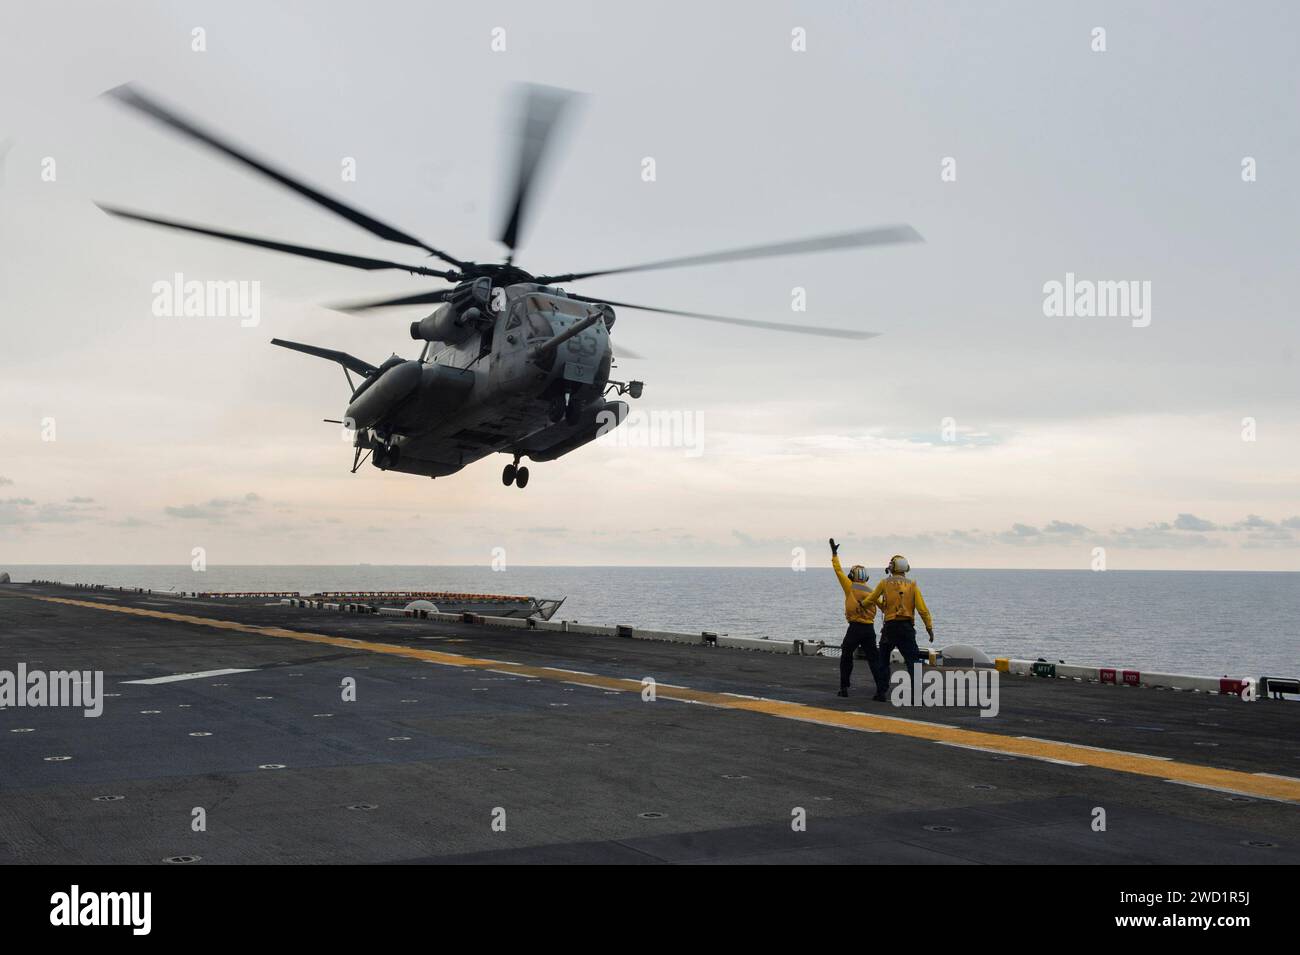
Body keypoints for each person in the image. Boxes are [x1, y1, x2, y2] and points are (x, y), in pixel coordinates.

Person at [829, 538, 888, 700]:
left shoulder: (850, 586)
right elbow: (884, 606)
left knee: (846, 655)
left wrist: (834, 554)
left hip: (854, 628)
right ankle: (881, 691)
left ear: (852, 575)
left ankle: (844, 687)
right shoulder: (871, 590)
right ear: (866, 577)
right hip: (869, 629)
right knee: (874, 660)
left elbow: (838, 571)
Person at [865, 555, 934, 684]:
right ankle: (917, 695)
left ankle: (881, 692)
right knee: (913, 661)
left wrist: (863, 605)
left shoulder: (884, 583)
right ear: (906, 568)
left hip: (890, 627)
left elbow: (872, 598)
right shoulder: (912, 585)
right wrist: (929, 628)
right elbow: (922, 609)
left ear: (892, 567)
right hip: (906, 628)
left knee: (883, 660)